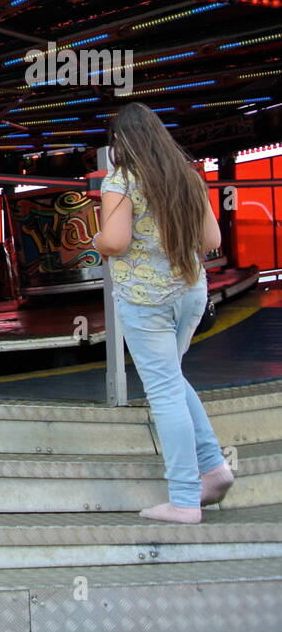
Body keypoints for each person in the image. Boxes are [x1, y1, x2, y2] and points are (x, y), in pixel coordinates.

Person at [94, 103, 232, 524]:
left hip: (145, 300)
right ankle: (215, 470)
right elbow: (211, 239)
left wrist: (96, 238)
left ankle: (185, 499)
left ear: (122, 142)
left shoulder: (121, 181)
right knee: (172, 378)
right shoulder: (188, 176)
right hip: (189, 293)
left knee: (165, 392)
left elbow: (116, 242)